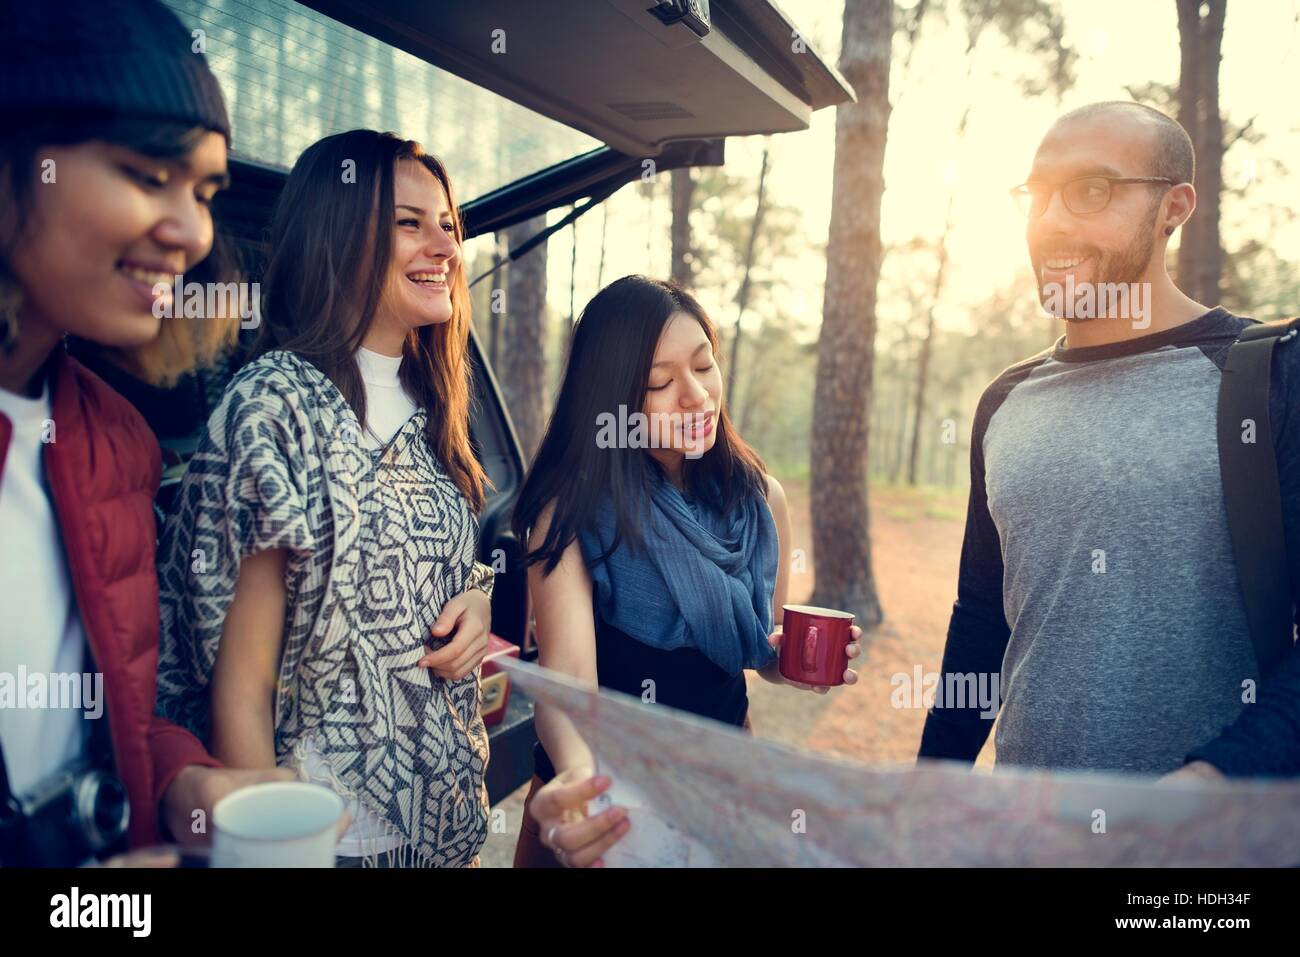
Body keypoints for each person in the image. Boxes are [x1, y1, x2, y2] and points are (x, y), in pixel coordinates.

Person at [917, 101, 1299, 778]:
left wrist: (1212, 782)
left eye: (1092, 191)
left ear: (1174, 207)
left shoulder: (1274, 375)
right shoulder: (1005, 400)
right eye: (1037, 195)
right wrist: (928, 785)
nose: (1052, 221)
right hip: (1030, 835)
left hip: (1204, 859)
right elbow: (982, 620)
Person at [154, 129, 497, 867]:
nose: (443, 244)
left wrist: (475, 602)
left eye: (447, 224)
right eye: (409, 222)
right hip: (326, 839)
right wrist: (274, 847)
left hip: (447, 833)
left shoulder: (435, 404)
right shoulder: (276, 406)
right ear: (339, 236)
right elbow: (240, 687)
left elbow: (417, 565)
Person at [0, 0, 289, 866]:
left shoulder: (116, 442)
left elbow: (101, 717)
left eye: (203, 192)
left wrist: (182, 785)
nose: (192, 231)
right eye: (143, 174)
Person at [510, 276, 863, 868]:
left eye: (705, 366)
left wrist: (796, 665)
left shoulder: (759, 501)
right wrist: (581, 788)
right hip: (605, 800)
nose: (696, 395)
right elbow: (569, 683)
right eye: (660, 382)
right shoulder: (569, 513)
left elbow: (760, 650)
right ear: (611, 399)